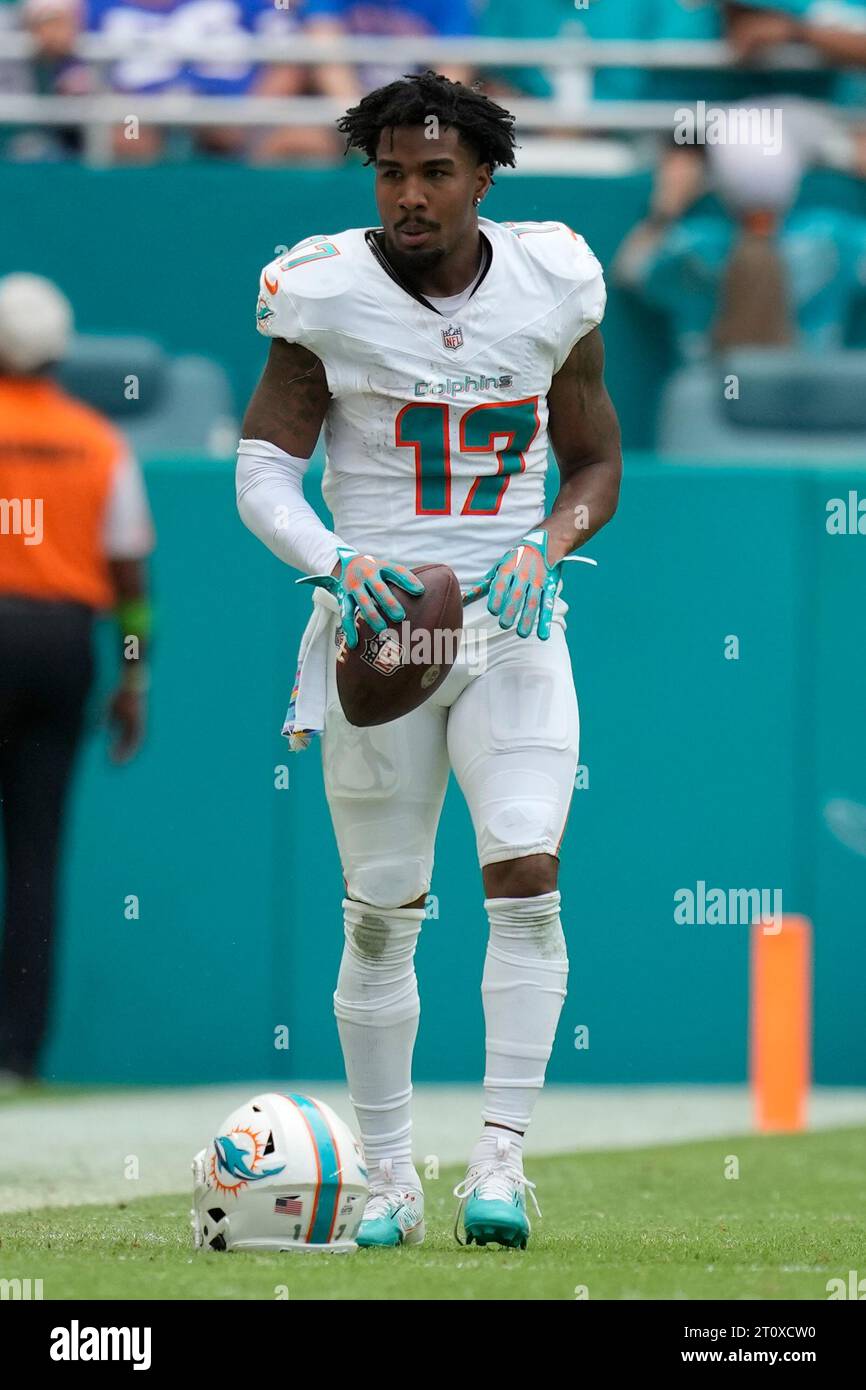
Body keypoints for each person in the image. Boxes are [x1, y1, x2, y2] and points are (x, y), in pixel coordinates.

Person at [236, 71, 621, 1250]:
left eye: (433, 173)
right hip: (381, 629)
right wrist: (333, 560)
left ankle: (498, 1163)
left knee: (526, 875)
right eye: (391, 171)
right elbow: (260, 469)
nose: (409, 194)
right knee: (379, 917)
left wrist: (547, 546)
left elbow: (597, 464)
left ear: (482, 178)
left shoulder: (553, 278)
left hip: (508, 626)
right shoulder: (325, 290)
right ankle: (392, 1175)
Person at [0, 274, 155, 1085]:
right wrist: (134, 682)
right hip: (63, 646)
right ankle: (17, 1055)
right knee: (35, 857)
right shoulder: (98, 441)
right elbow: (132, 583)